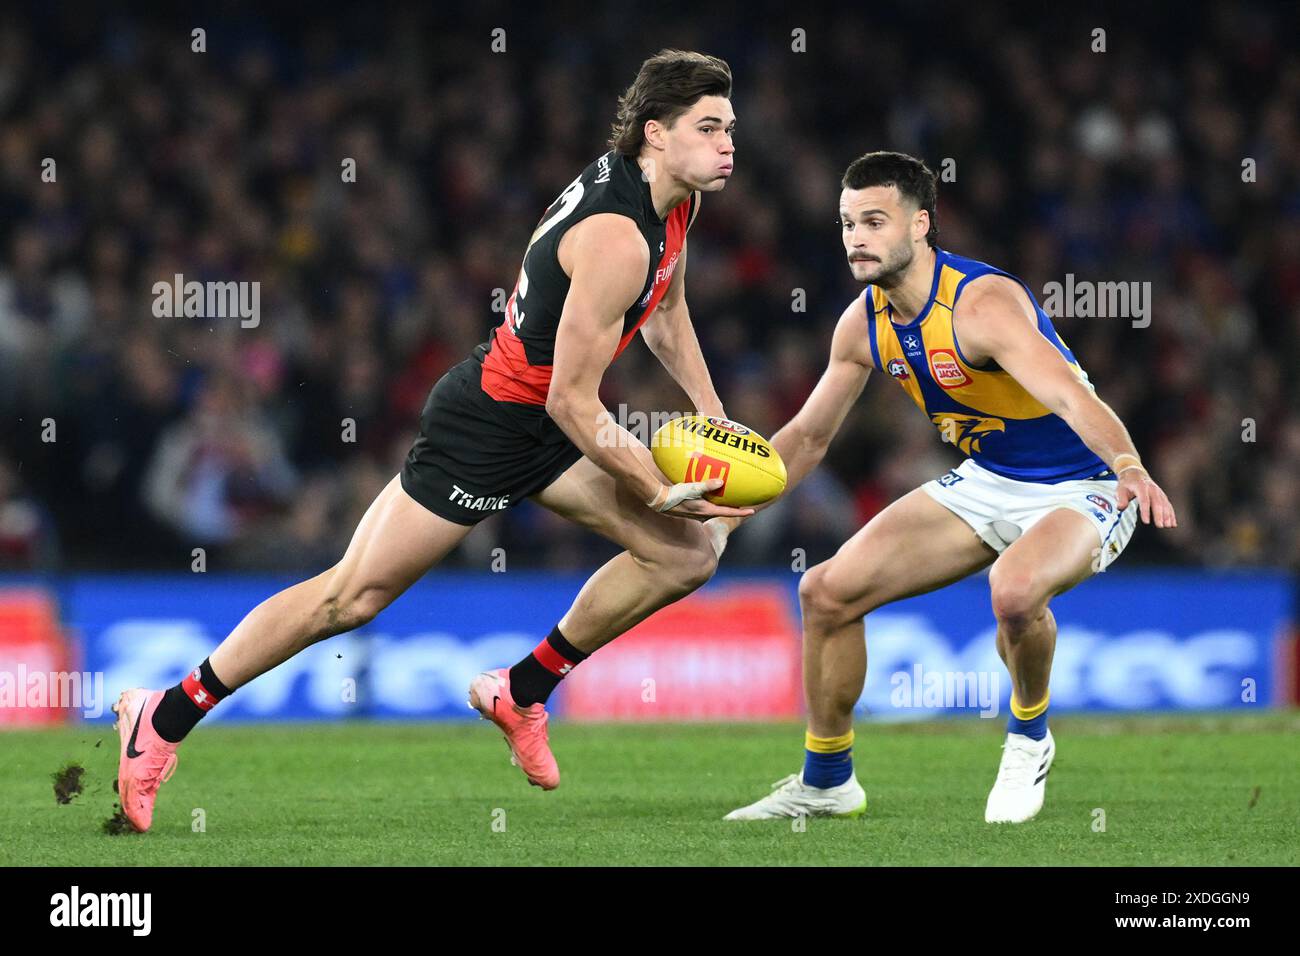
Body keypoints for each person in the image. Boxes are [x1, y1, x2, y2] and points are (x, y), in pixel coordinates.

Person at [113, 49, 747, 832]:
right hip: (491, 425)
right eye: (709, 127)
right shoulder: (616, 234)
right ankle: (161, 717)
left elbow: (670, 310)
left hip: (545, 423)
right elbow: (574, 402)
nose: (728, 145)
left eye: (729, 128)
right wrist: (656, 485)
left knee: (687, 553)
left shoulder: (672, 199)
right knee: (349, 598)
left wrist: (714, 415)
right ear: (656, 132)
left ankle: (518, 692)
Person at [722, 151, 1176, 824]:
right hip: (989, 479)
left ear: (921, 225)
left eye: (875, 221)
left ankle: (1028, 738)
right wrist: (729, 508)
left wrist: (1131, 466)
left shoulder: (981, 305)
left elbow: (1073, 399)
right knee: (825, 592)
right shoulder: (863, 323)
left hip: (1086, 481)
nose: (856, 237)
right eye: (848, 222)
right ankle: (827, 782)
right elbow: (809, 437)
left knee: (1016, 592)